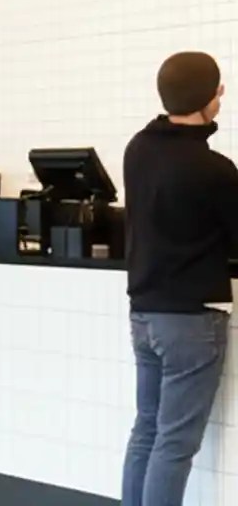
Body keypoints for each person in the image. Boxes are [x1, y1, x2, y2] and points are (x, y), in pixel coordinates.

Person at [120, 51, 238, 506]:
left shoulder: (138, 150)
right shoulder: (214, 169)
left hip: (144, 315)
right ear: (208, 96)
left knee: (146, 432)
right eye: (218, 89)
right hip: (191, 322)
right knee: (174, 445)